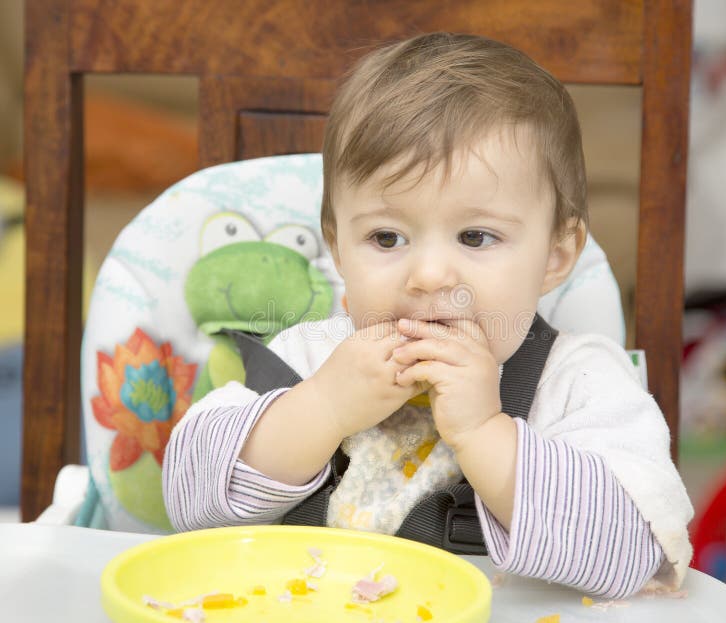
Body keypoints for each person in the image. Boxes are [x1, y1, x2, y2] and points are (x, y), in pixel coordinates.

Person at [163, 32, 693, 599]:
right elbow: (188, 498)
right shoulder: (312, 358)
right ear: (339, 250)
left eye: (475, 236)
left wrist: (485, 434)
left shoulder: (581, 384)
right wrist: (321, 407)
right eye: (386, 237)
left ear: (555, 257)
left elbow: (635, 551)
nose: (429, 275)